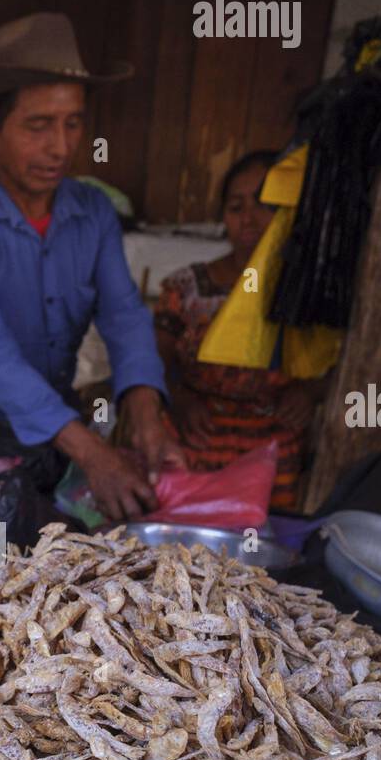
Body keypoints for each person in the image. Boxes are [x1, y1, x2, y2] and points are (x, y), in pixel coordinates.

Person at [0, 12, 185, 522]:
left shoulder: (94, 214)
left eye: (73, 124)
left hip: (57, 414)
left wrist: (143, 404)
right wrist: (93, 452)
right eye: (38, 126)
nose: (61, 147)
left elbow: (123, 314)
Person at [154, 151, 329, 510]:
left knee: (264, 545)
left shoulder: (309, 293)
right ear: (223, 218)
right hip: (198, 432)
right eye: (236, 208)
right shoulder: (186, 287)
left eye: (264, 205)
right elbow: (154, 356)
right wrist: (180, 399)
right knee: (187, 546)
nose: (248, 219)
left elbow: (341, 362)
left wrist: (310, 392)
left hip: (275, 439)